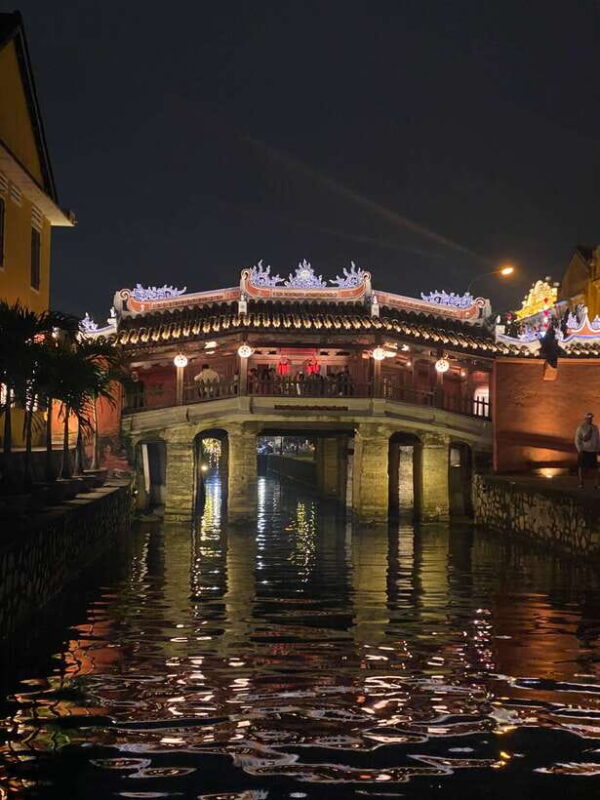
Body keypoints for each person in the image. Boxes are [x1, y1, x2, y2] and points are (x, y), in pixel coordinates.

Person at [574, 411, 600, 489]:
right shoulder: (581, 427)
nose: (590, 419)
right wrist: (579, 450)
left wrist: (598, 449)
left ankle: (597, 484)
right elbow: (577, 440)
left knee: (595, 468)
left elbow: (598, 439)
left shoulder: (595, 428)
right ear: (585, 419)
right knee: (581, 467)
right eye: (588, 418)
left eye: (591, 418)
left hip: (592, 451)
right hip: (584, 450)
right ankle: (581, 483)